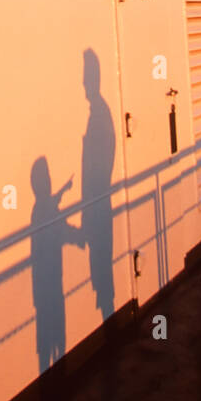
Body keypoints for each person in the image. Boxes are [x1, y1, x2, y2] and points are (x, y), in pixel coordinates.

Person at [29, 158, 82, 373]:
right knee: (56, 334)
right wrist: (80, 237)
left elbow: (52, 204)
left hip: (41, 287)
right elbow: (60, 228)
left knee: (45, 336)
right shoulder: (44, 210)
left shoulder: (39, 207)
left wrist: (64, 190)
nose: (50, 180)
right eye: (47, 176)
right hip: (50, 285)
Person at [81, 50, 116, 320]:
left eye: (86, 77)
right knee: (101, 264)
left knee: (102, 264)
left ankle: (109, 318)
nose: (83, 84)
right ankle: (108, 314)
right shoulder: (98, 113)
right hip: (97, 203)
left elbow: (100, 164)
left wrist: (91, 207)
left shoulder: (100, 115)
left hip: (99, 203)